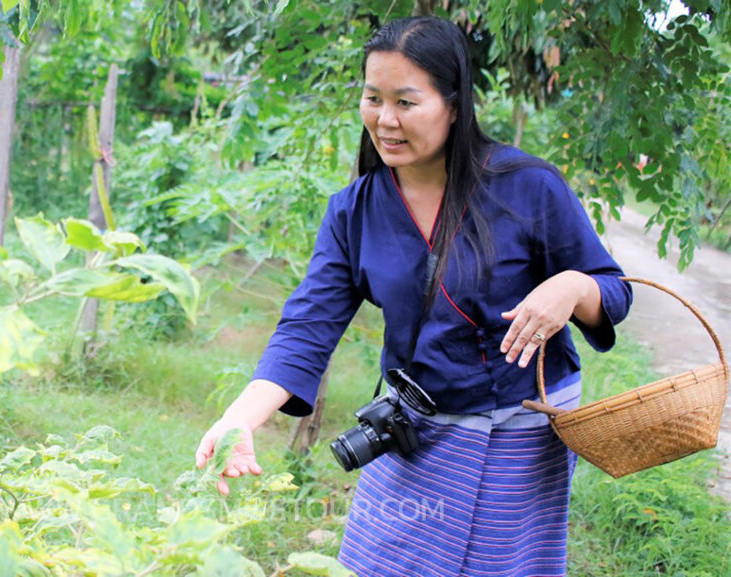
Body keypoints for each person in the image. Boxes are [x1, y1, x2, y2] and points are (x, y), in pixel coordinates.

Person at [193, 15, 633, 577]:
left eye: (406, 101)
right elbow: (307, 327)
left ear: (454, 102)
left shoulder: (528, 185)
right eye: (373, 98)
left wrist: (572, 288)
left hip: (523, 435)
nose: (385, 119)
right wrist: (239, 419)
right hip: (414, 432)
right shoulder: (353, 211)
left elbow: (614, 291)